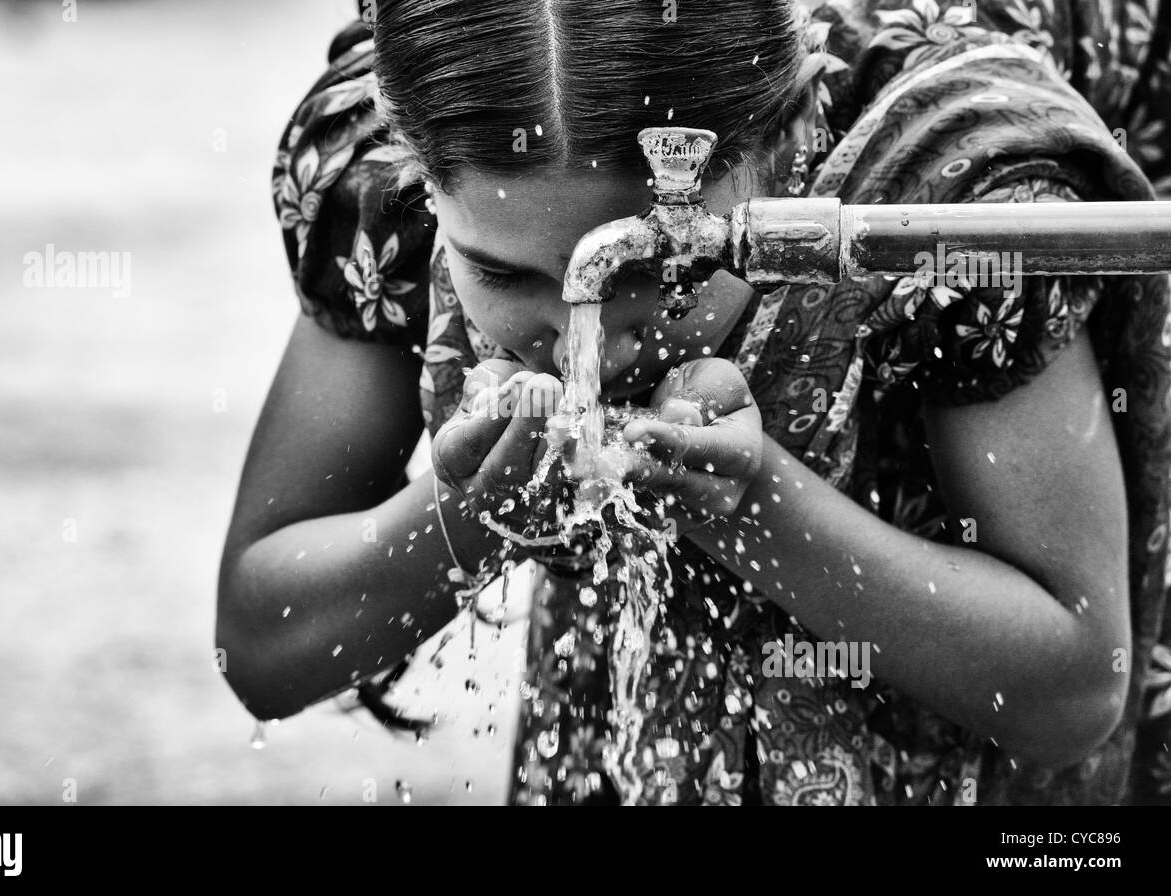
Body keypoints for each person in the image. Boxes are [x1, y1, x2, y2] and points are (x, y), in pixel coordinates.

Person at [217, 0, 1171, 805]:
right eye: (503, 276)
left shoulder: (955, 204)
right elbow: (260, 647)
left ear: (784, 154)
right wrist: (470, 516)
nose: (585, 339)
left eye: (657, 272)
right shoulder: (396, 185)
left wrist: (758, 504)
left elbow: (1077, 689)